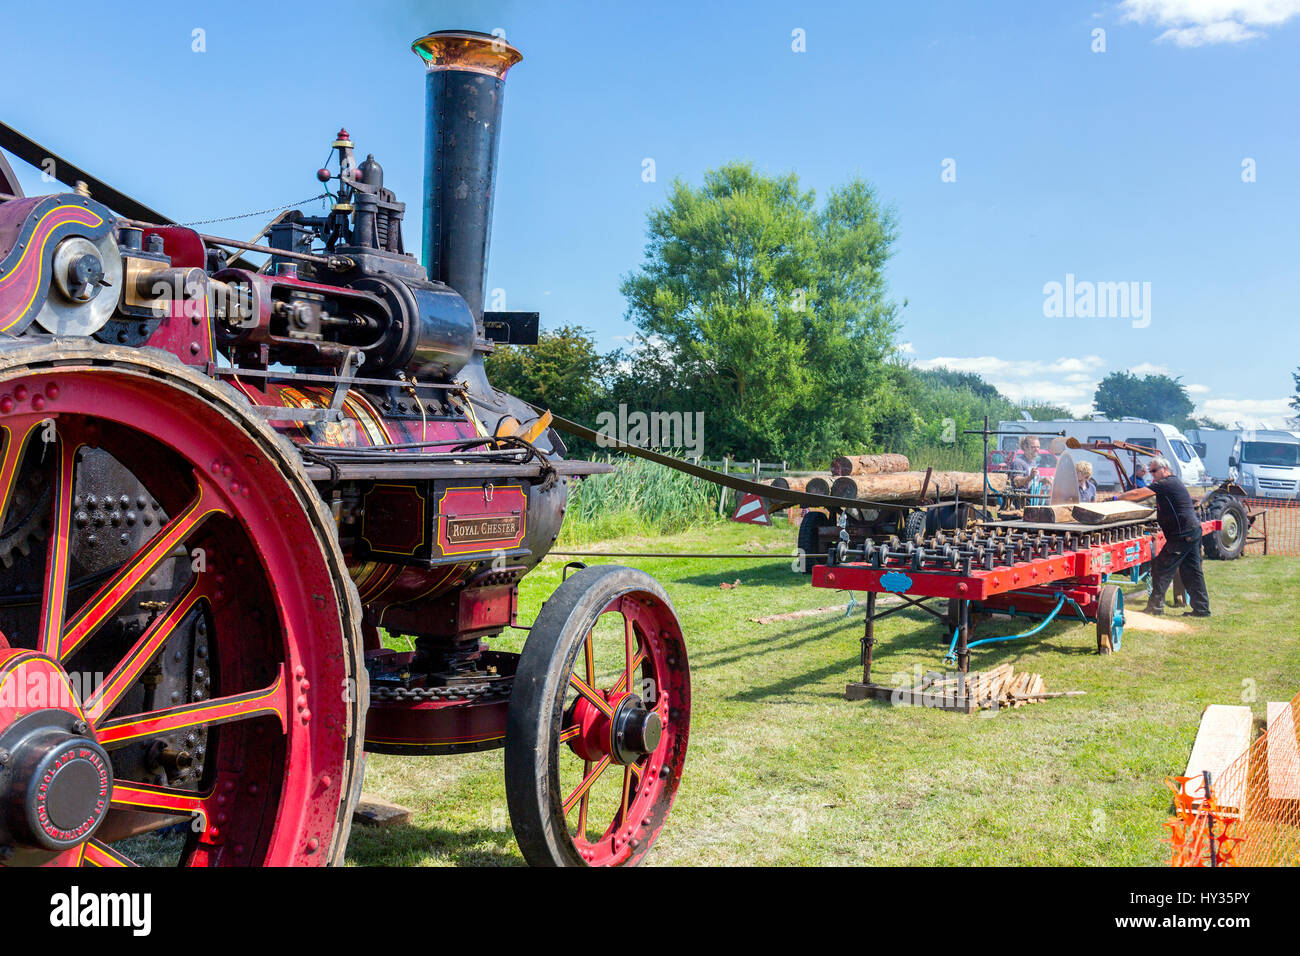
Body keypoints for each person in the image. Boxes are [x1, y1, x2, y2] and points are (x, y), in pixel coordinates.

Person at [1120, 456, 1210, 617]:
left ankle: (1155, 607)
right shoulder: (1169, 483)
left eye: (1155, 471)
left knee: (1161, 567)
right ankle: (1202, 609)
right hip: (1189, 531)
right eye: (1150, 471)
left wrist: (1116, 498)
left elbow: (1139, 493)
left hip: (1182, 534)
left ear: (1165, 469)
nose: (1152, 474)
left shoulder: (1167, 483)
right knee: (1192, 571)